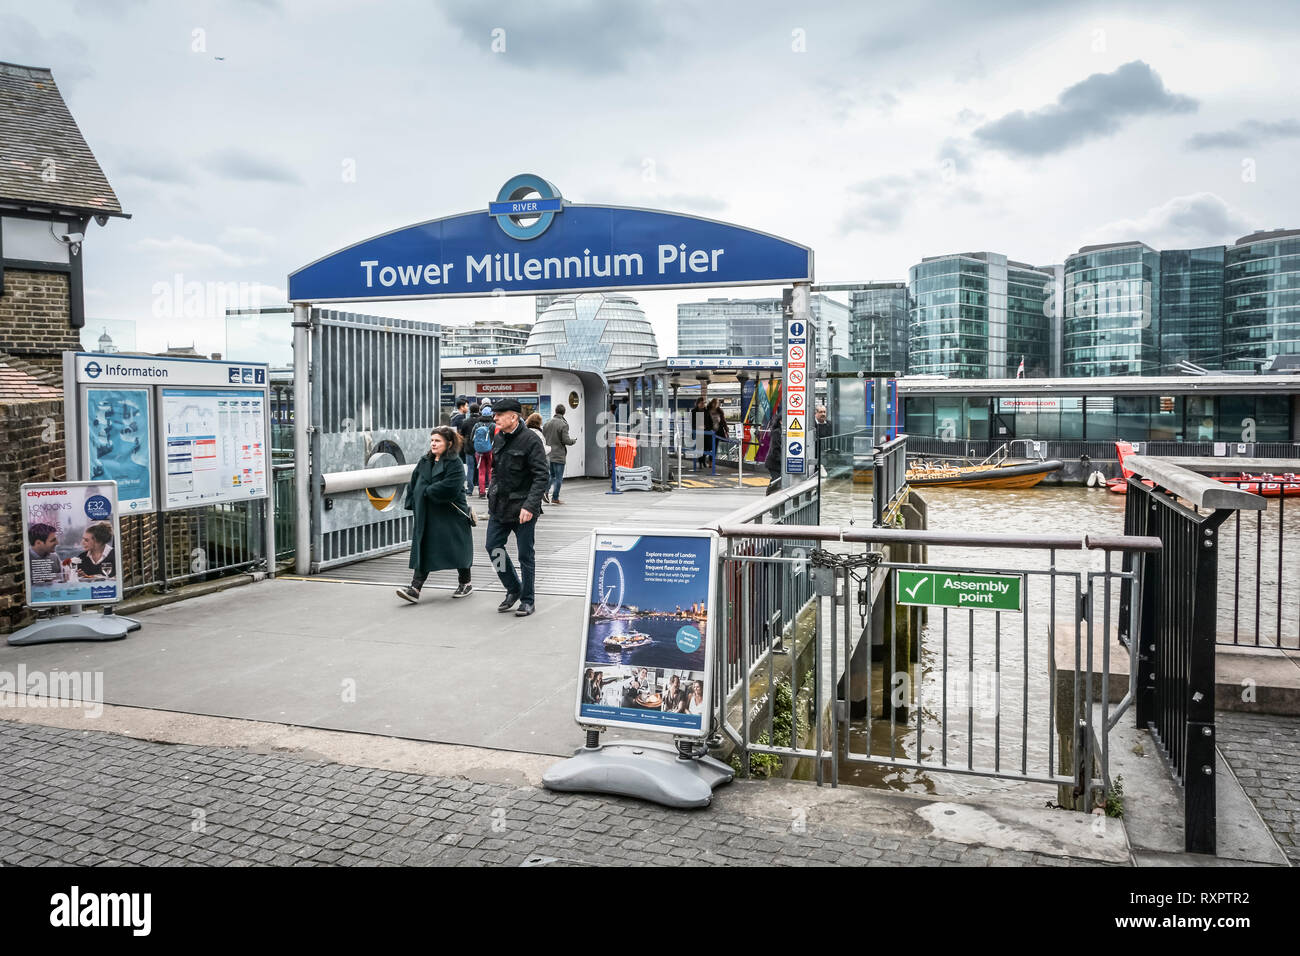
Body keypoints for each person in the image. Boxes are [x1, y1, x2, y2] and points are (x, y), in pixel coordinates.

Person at [484, 398, 549, 617]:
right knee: (493, 547)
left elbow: (542, 476)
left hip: (523, 509)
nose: (495, 418)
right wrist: (492, 489)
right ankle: (513, 587)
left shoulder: (531, 440)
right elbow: (495, 468)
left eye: (499, 415)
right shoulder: (499, 438)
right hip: (500, 506)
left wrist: (530, 506)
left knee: (525, 555)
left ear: (513, 417)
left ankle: (527, 600)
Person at [396, 426, 474, 603]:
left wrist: (426, 491)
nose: (433, 443)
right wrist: (413, 500)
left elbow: (451, 486)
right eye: (432, 440)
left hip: (451, 513)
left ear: (449, 443)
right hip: (428, 513)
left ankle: (465, 582)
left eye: (437, 440)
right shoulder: (425, 460)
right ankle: (415, 588)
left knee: (458, 548)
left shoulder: (454, 462)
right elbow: (414, 481)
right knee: (426, 546)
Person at [542, 403, 577, 505]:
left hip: (549, 454)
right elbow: (565, 440)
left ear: (555, 411)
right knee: (558, 478)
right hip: (559, 455)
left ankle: (545, 491)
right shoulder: (563, 424)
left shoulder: (547, 423)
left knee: (551, 476)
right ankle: (555, 498)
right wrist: (573, 441)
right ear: (564, 412)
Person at [450, 398, 473, 493]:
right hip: (461, 446)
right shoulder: (460, 418)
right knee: (464, 465)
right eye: (467, 406)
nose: (468, 408)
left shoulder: (455, 417)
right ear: (462, 406)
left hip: (459, 445)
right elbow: (456, 433)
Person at [471, 404, 495, 498]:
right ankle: (491, 491)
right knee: (490, 471)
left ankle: (481, 492)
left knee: (481, 471)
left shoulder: (477, 425)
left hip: (479, 451)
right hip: (490, 451)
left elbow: (472, 438)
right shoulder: (493, 425)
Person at [764, 418, 783, 495]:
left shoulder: (786, 432)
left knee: (778, 479)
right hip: (774, 463)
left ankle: (772, 493)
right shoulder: (777, 432)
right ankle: (769, 494)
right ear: (781, 421)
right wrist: (782, 461)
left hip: (779, 462)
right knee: (776, 479)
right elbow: (775, 449)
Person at [709, 398, 729, 462]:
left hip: (717, 432)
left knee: (714, 447)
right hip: (709, 432)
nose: (715, 405)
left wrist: (726, 430)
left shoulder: (720, 411)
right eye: (714, 403)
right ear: (711, 403)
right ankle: (703, 459)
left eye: (717, 403)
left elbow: (723, 421)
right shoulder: (707, 410)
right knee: (709, 446)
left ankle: (711, 461)